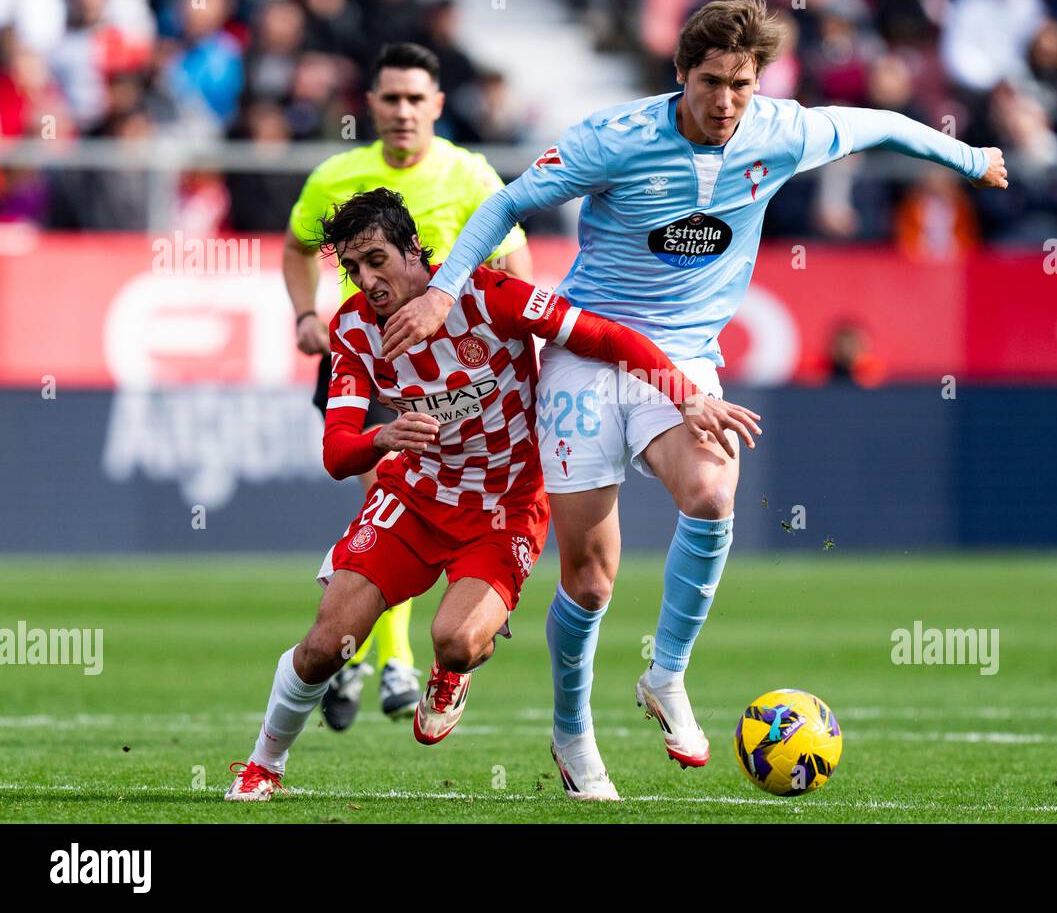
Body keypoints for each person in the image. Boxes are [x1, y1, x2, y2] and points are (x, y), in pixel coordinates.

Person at [380, 0, 1007, 800]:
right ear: (680, 74)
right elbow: (505, 202)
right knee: (591, 581)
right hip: (583, 350)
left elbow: (882, 122)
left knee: (713, 491)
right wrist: (441, 292)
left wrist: (969, 157)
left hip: (681, 359)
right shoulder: (618, 138)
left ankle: (665, 674)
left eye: (742, 84)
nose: (725, 102)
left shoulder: (780, 130)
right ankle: (572, 733)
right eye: (710, 82)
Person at [227, 188, 760, 801]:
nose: (366, 279)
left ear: (413, 251)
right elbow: (336, 450)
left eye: (376, 259)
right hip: (416, 500)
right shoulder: (352, 329)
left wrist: (683, 391)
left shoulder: (491, 294)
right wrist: (383, 437)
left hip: (505, 508)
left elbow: (604, 338)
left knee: (456, 639)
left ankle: (452, 672)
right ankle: (264, 763)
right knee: (326, 643)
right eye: (353, 267)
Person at [282, 42, 532, 730]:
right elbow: (297, 244)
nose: (402, 111)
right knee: (380, 491)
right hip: (365, 360)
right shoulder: (336, 174)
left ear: (437, 106)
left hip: (456, 366)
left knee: (435, 492)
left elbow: (513, 262)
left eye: (415, 99)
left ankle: (406, 646)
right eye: (390, 98)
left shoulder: (470, 172)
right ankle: (387, 656)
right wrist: (307, 314)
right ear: (371, 104)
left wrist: (524, 333)